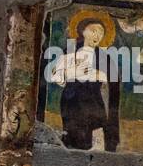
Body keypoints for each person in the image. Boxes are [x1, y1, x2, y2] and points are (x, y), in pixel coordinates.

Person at [49, 17, 119, 151]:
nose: (97, 35)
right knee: (75, 138)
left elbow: (111, 83)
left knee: (95, 138)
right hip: (72, 102)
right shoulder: (70, 51)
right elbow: (56, 75)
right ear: (83, 31)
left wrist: (100, 75)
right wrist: (73, 71)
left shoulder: (104, 57)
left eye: (101, 32)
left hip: (95, 102)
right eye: (93, 30)